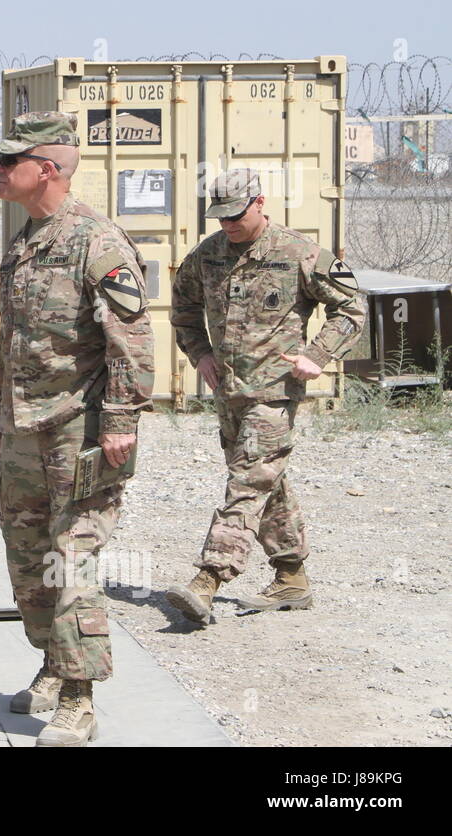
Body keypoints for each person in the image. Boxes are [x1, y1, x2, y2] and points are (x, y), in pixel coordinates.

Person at [0, 112, 155, 746]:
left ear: (47, 169)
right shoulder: (26, 242)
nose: (0, 172)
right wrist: (0, 423)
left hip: (78, 431)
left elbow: (132, 342)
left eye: (11, 163)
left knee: (70, 558)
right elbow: (14, 344)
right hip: (23, 431)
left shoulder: (97, 242)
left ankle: (81, 697)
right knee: (27, 558)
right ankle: (55, 663)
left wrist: (119, 421)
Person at [165, 169, 364, 625]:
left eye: (236, 215)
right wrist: (200, 355)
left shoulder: (299, 253)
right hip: (230, 393)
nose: (228, 225)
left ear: (259, 203)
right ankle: (291, 577)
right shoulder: (208, 255)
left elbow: (352, 307)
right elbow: (183, 310)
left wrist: (319, 354)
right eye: (220, 217)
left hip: (273, 395)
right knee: (265, 481)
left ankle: (209, 579)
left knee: (247, 483)